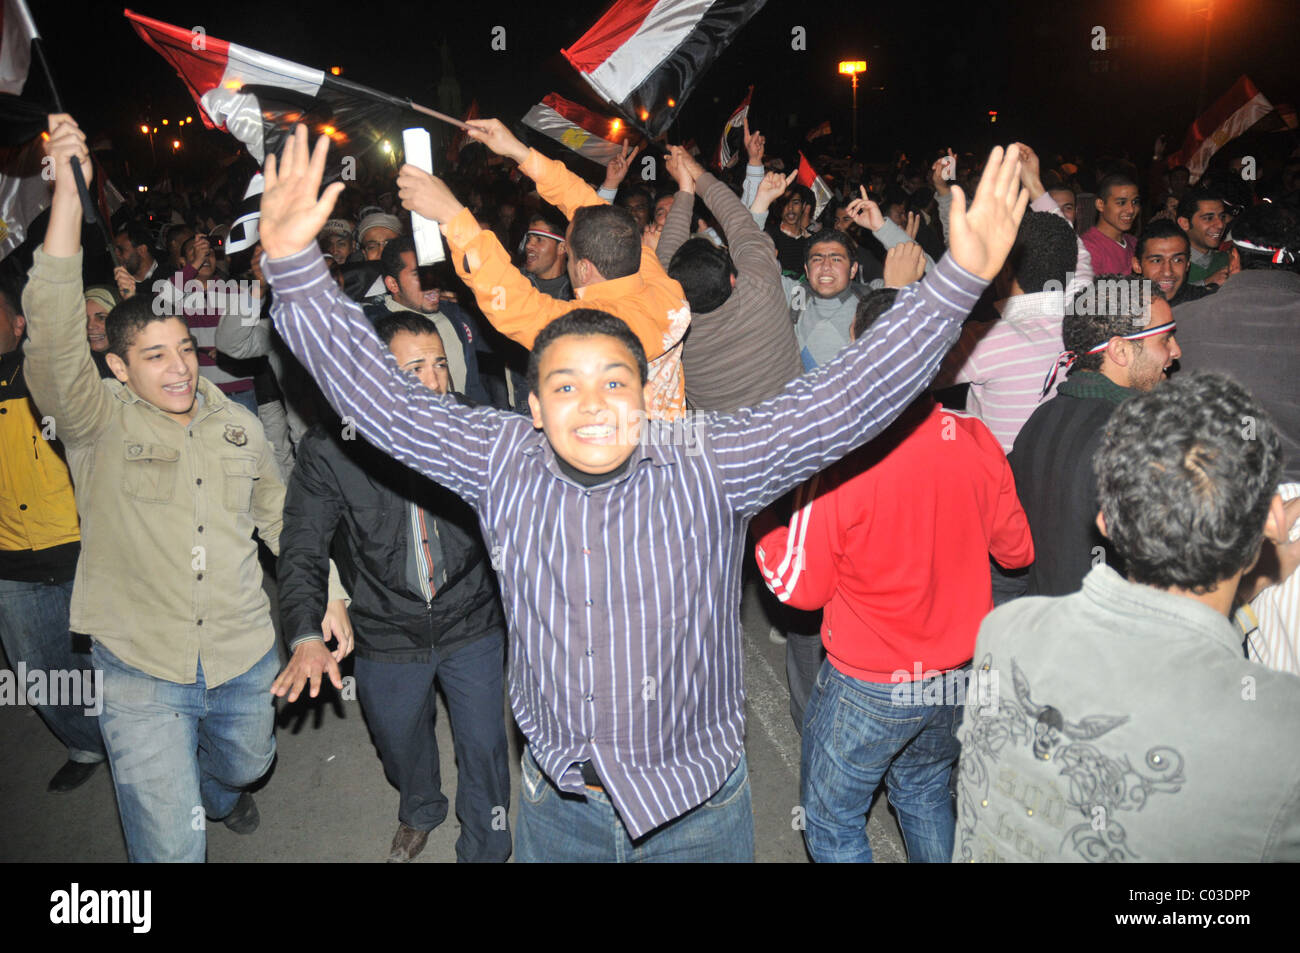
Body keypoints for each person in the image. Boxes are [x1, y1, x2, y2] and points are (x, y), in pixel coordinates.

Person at [260, 124, 1029, 862]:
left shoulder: (707, 462)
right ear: (532, 406)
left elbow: (835, 405)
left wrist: (955, 283)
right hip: (560, 806)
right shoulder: (501, 460)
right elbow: (386, 405)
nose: (592, 402)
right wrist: (294, 265)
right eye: (565, 383)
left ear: (650, 393)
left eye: (613, 381)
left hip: (697, 807)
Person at [22, 114, 344, 862]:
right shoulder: (95, 421)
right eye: (152, 356)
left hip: (239, 652)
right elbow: (56, 335)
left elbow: (277, 510)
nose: (176, 368)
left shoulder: (235, 422)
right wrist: (68, 196)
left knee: (247, 766)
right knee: (169, 844)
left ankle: (219, 789)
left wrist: (325, 589)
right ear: (119, 369)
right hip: (140, 665)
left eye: (181, 350)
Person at [953, 372, 1300, 862]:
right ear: (1274, 521)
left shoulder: (1006, 632)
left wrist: (1252, 576)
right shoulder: (1281, 727)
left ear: (1106, 521)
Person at [755, 287, 1033, 863]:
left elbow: (799, 590)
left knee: (832, 826)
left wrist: (762, 520)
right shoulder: (977, 440)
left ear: (859, 346)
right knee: (926, 790)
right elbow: (1016, 552)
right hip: (955, 673)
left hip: (870, 683)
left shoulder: (837, 458)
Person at [274, 313, 511, 863]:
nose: (433, 382)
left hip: (470, 616)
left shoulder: (477, 427)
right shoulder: (332, 448)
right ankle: (421, 807)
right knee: (400, 740)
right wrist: (306, 633)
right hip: (385, 628)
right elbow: (304, 545)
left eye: (440, 366)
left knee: (485, 746)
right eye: (414, 368)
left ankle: (487, 848)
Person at [395, 117, 690, 420]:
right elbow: (587, 204)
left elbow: (515, 304)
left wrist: (452, 215)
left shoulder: (599, 332)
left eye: (570, 254)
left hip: (621, 458)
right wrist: (518, 152)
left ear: (584, 269)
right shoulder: (663, 285)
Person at [0, 273, 107, 793]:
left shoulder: (49, 377)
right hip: (11, 565)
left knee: (120, 661)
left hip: (80, 548)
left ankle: (165, 750)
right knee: (38, 673)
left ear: (18, 324)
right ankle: (86, 741)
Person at [1009, 278, 1179, 597]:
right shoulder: (1141, 436)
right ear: (1120, 350)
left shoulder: (1040, 418)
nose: (1175, 351)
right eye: (1165, 339)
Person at [657, 148, 801, 413]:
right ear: (733, 279)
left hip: (725, 448)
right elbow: (736, 220)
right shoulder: (761, 289)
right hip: (792, 431)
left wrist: (685, 189)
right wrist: (693, 173)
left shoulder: (671, 331)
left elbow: (662, 263)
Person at [363, 235, 487, 405]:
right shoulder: (373, 331)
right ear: (393, 284)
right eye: (419, 275)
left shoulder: (459, 316)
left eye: (433, 272)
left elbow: (479, 383)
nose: (432, 282)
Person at [1131, 218, 1213, 306]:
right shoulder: (1121, 308)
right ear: (1137, 265)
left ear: (1187, 264)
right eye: (1156, 261)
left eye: (1177, 260)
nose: (1167, 272)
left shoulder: (1206, 303)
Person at [1080, 173, 1139, 275]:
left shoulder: (1133, 243)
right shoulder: (1087, 249)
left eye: (1135, 202)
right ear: (1100, 205)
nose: (1131, 210)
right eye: (1121, 202)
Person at [1176, 187, 1230, 286]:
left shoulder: (1228, 261)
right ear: (1184, 223)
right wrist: (1205, 284)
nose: (1220, 225)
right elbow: (1140, 299)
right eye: (1208, 218)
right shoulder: (1161, 262)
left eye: (1222, 217)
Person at [111, 221, 159, 300]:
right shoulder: (117, 287)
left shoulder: (172, 276)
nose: (116, 255)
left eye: (121, 250)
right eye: (114, 251)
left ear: (142, 250)